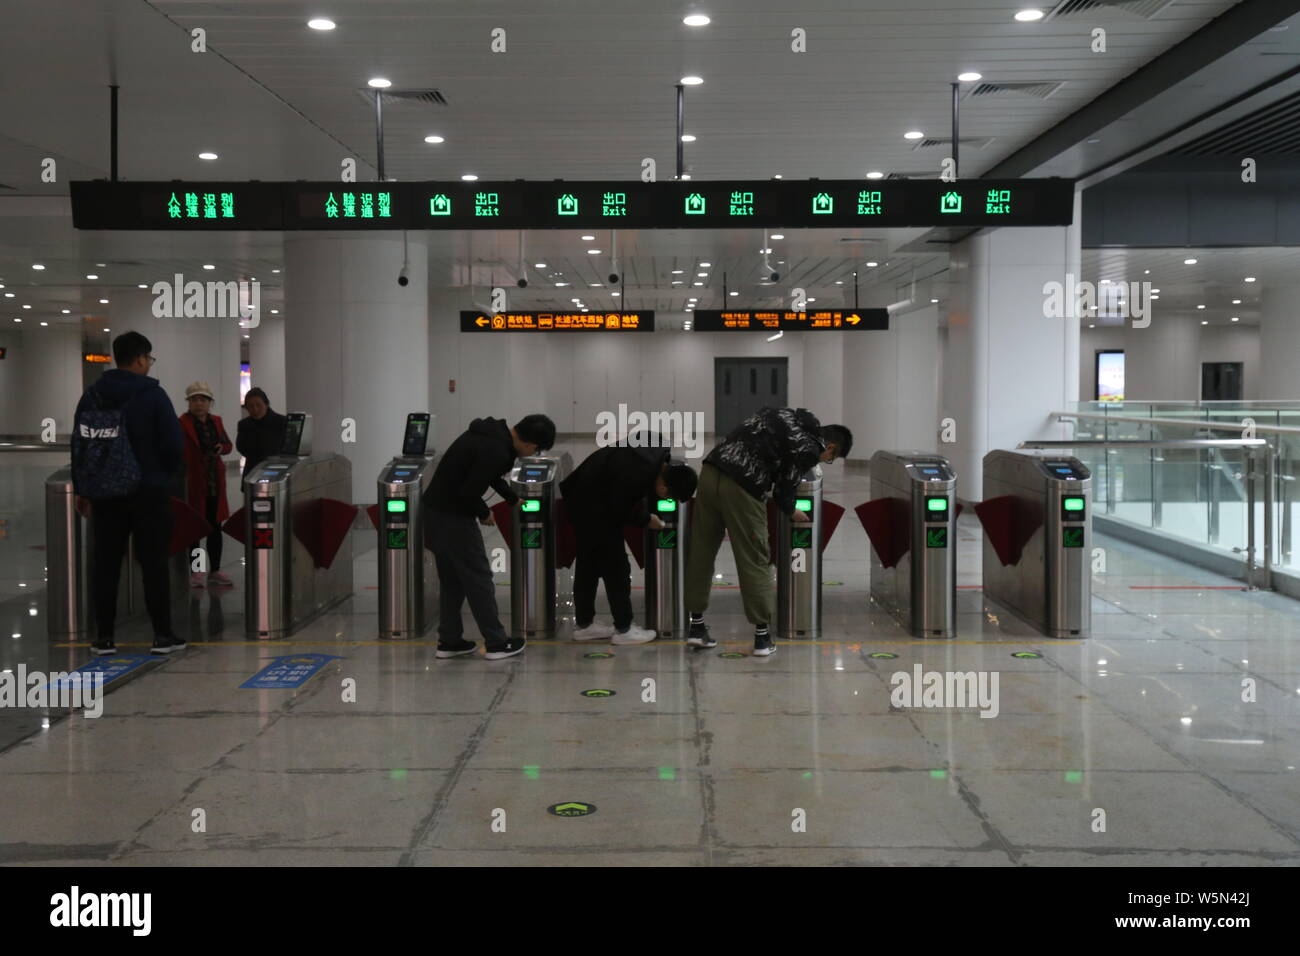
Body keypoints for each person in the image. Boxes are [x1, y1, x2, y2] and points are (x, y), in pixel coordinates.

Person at [684, 408, 853, 657]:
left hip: (710, 473)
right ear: (831, 447)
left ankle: (696, 627)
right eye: (829, 458)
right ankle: (762, 636)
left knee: (702, 550)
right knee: (754, 557)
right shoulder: (808, 446)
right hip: (743, 484)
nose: (823, 460)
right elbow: (784, 490)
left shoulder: (782, 414)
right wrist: (792, 511)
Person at [71, 331, 186, 656]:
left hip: (106, 493)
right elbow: (174, 445)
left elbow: (79, 444)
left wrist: (84, 488)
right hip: (148, 492)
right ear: (139, 359)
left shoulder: (92, 395)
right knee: (153, 564)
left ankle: (103, 638)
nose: (149, 364)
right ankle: (162, 636)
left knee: (106, 563)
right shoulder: (153, 395)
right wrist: (161, 476)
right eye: (148, 358)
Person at [422, 414, 557, 660]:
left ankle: (449, 640)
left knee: (453, 579)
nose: (530, 456)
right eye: (534, 451)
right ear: (531, 445)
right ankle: (496, 642)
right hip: (454, 518)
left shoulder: (490, 436)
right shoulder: (497, 450)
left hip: (432, 513)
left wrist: (513, 498)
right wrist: (484, 513)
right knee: (478, 577)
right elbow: (469, 491)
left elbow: (488, 475)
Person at [560, 438, 698, 644]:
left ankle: (584, 625)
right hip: (593, 508)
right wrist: (646, 519)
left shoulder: (656, 457)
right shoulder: (639, 473)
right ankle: (624, 629)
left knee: (588, 564)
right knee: (616, 568)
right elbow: (619, 508)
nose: (665, 497)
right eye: (668, 493)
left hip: (583, 498)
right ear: (664, 482)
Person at [179, 381, 234, 588]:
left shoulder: (216, 422)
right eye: (194, 400)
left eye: (202, 400)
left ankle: (215, 570)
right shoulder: (182, 423)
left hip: (214, 483)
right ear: (189, 403)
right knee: (196, 529)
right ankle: (197, 571)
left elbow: (228, 445)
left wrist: (223, 447)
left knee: (215, 527)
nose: (198, 404)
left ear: (210, 402)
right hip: (193, 482)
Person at [236, 387, 287, 477]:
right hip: (252, 470)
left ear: (266, 404)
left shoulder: (281, 422)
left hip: (275, 470)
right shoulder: (244, 424)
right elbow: (241, 446)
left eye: (258, 405)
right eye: (251, 406)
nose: (255, 409)